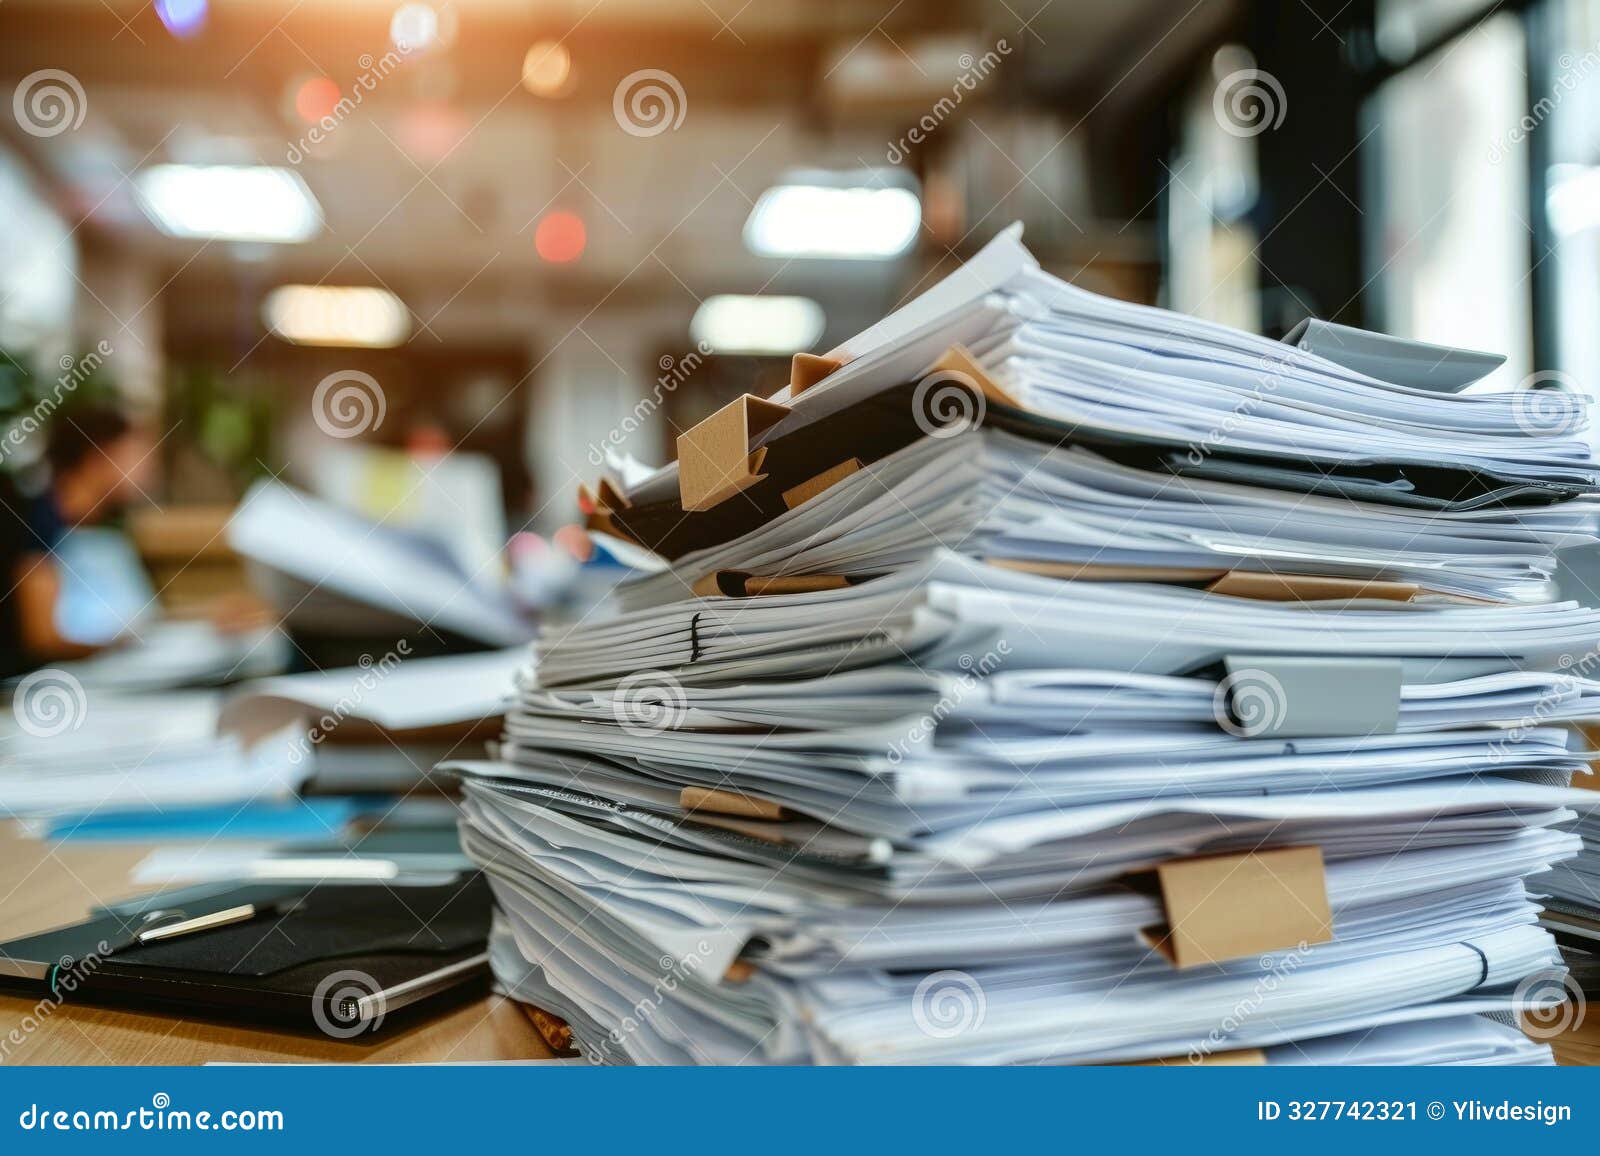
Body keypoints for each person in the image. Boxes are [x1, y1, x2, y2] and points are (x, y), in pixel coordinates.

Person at [0, 405, 157, 679]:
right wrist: (118, 645)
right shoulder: (38, 521)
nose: (147, 467)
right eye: (134, 455)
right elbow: (44, 637)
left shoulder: (108, 526)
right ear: (98, 456)